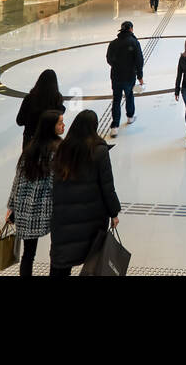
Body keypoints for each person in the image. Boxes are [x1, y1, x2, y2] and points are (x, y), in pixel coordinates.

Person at [49, 110, 120, 276]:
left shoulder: (61, 150)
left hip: (63, 219)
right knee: (94, 262)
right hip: (92, 219)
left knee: (61, 263)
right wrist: (113, 212)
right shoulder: (99, 151)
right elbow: (107, 186)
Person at [5, 109, 63, 276]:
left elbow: (17, 180)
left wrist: (12, 206)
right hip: (49, 207)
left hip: (27, 207)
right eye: (60, 123)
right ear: (50, 127)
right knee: (56, 250)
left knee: (28, 254)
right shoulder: (58, 150)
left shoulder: (30, 149)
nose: (63, 125)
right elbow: (56, 182)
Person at [106, 21, 144, 139]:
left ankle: (115, 126)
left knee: (116, 99)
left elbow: (109, 59)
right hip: (129, 76)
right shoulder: (134, 42)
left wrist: (117, 66)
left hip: (116, 76)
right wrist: (140, 76)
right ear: (131, 29)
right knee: (129, 95)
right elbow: (139, 60)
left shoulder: (113, 43)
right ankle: (130, 116)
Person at [16, 69, 65, 147]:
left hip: (30, 140)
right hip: (49, 141)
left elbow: (20, 121)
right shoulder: (57, 100)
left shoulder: (29, 99)